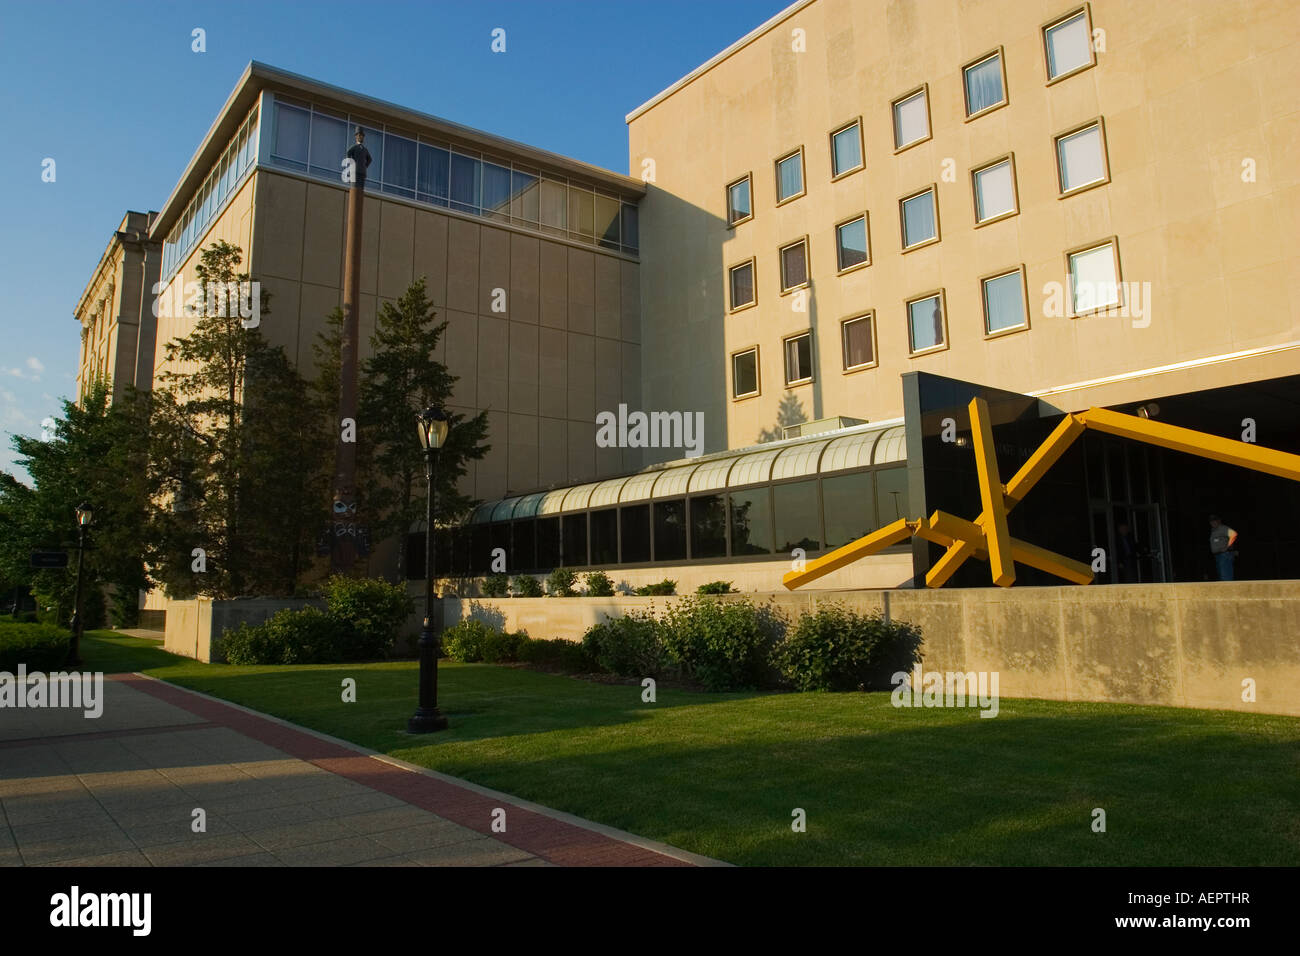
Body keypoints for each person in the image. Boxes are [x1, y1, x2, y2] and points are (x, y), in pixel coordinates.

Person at [1208, 514, 1238, 581]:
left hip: (1224, 555)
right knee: (1221, 578)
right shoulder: (1213, 530)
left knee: (1225, 578)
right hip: (1218, 556)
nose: (1212, 522)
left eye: (1214, 520)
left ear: (1219, 521)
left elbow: (1234, 534)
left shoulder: (1222, 528)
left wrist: (1227, 547)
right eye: (1211, 521)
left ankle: (1229, 590)